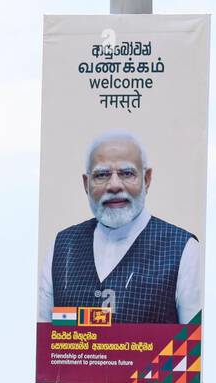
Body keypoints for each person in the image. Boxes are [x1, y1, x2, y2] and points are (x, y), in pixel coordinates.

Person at [37, 129, 203, 325]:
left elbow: (195, 347)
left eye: (126, 173)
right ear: (86, 183)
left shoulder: (184, 249)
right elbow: (44, 343)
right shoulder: (62, 247)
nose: (114, 185)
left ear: (147, 179)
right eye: (101, 175)